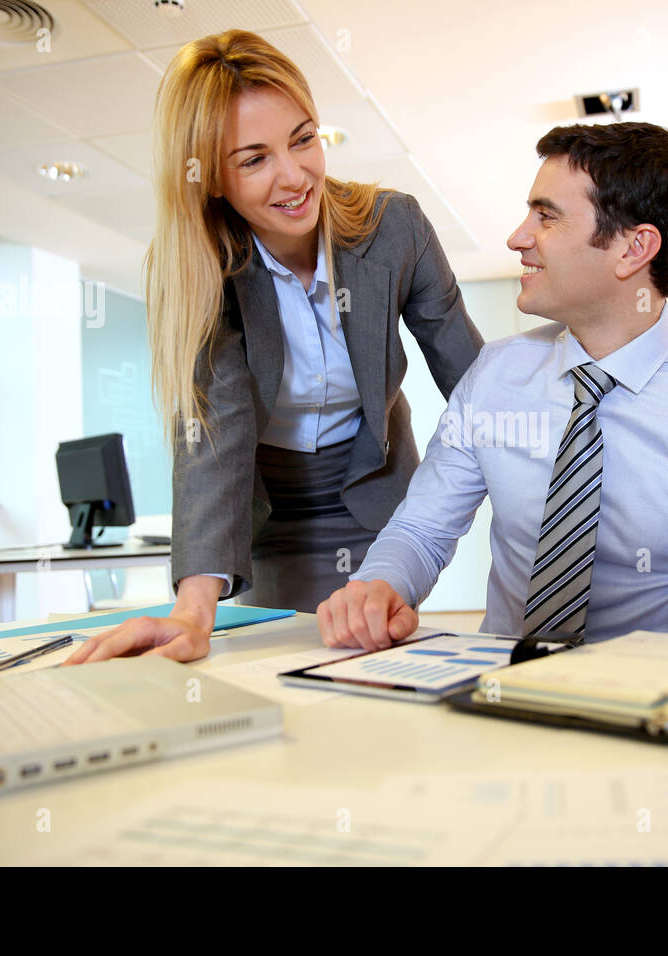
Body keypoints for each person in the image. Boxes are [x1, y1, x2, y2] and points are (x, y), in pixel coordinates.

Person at [66, 30, 482, 666]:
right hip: (259, 509)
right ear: (209, 179)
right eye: (254, 159)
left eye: (303, 139)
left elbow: (472, 381)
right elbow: (215, 434)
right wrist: (192, 611)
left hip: (372, 493)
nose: (295, 177)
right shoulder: (200, 267)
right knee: (281, 674)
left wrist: (553, 495)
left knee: (365, 665)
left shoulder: (393, 229)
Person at [316, 122, 668, 651]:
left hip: (656, 706)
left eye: (546, 216)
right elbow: (422, 529)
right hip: (502, 693)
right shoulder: (495, 374)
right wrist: (379, 587)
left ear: (634, 248)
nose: (518, 238)